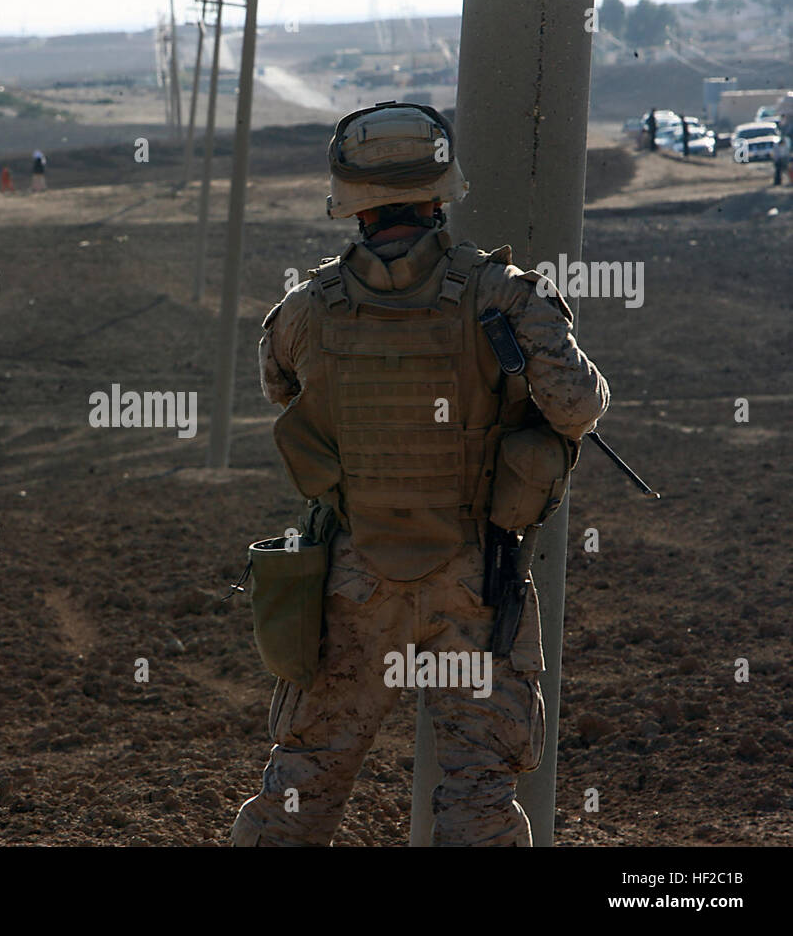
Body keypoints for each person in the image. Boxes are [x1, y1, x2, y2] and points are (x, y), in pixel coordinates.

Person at [231, 102, 610, 847]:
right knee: (477, 792)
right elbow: (576, 407)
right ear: (441, 192)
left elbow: (282, 391)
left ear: (349, 203)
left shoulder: (306, 309)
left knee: (304, 781)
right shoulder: (505, 295)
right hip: (472, 583)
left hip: (350, 582)